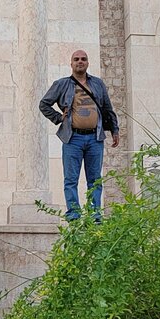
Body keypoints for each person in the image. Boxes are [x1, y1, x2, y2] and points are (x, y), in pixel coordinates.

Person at [39, 50, 120, 221]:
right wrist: (58, 117)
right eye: (76, 59)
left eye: (83, 59)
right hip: (72, 138)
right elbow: (44, 104)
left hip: (95, 138)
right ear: (71, 63)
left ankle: (94, 214)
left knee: (95, 179)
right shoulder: (62, 84)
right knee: (71, 179)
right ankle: (74, 214)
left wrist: (114, 130)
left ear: (88, 63)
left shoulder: (97, 84)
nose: (80, 62)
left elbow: (107, 108)